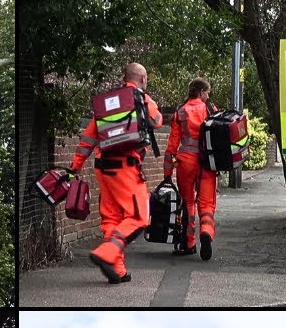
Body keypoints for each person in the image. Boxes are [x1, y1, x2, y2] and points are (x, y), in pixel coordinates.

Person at [69, 62, 164, 284]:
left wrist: (75, 166)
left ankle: (117, 269)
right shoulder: (141, 99)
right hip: (126, 168)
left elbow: (89, 138)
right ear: (143, 79)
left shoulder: (107, 105)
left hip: (103, 167)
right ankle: (106, 253)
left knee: (113, 218)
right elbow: (158, 122)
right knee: (139, 217)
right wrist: (148, 102)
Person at [164, 77, 219, 260]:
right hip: (206, 163)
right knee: (206, 204)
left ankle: (188, 243)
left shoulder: (181, 112)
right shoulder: (210, 110)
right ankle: (206, 232)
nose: (208, 96)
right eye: (207, 93)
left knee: (187, 203)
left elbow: (171, 146)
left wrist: (167, 173)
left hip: (185, 162)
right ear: (201, 92)